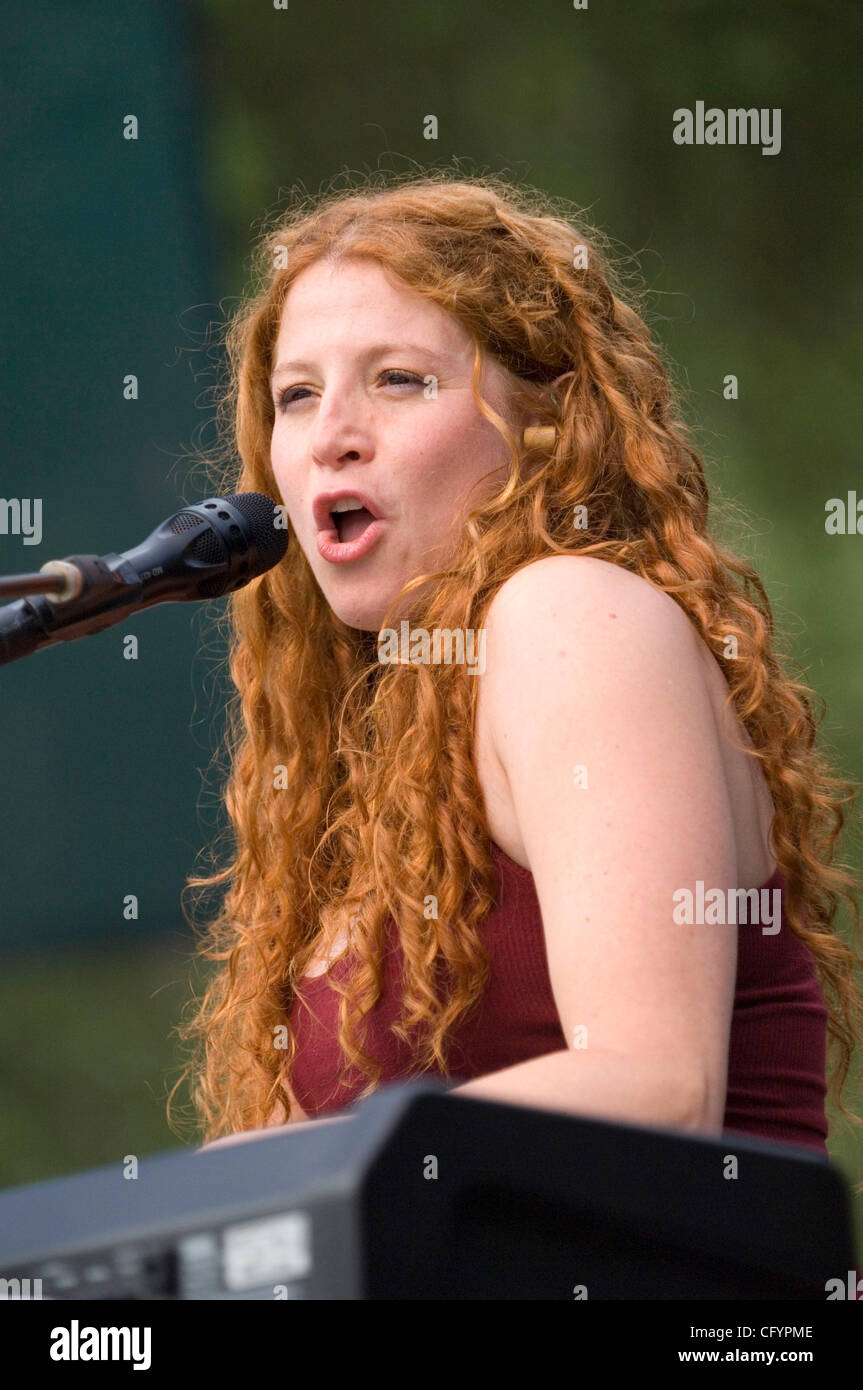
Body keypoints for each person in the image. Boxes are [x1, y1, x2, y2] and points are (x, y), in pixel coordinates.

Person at [173, 172, 863, 1162]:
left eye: (399, 379)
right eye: (296, 395)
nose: (328, 437)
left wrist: (262, 1171)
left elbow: (655, 1081)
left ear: (547, 423)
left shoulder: (569, 614)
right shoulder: (381, 768)